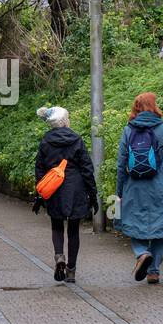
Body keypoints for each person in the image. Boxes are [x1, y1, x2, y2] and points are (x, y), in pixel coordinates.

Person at [116, 92, 163, 285]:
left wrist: (119, 191)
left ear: (137, 108)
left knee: (133, 222)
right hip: (161, 185)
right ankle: (153, 271)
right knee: (161, 225)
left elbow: (121, 163)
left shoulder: (128, 130)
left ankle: (142, 253)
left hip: (135, 186)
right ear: (154, 106)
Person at [32, 106, 98, 285]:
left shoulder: (46, 141)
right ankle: (71, 271)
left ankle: (59, 256)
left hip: (55, 189)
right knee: (74, 229)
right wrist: (93, 194)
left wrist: (41, 191)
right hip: (76, 187)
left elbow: (39, 168)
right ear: (66, 121)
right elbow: (87, 169)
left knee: (57, 225)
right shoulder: (77, 140)